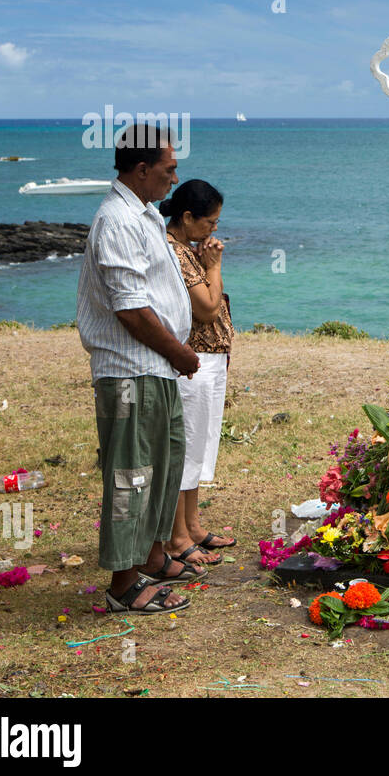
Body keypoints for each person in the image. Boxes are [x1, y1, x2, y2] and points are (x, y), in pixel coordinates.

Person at [76, 124, 206, 615]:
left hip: (156, 368)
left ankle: (152, 556)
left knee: (165, 465)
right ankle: (123, 584)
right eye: (169, 169)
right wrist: (178, 352)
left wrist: (173, 354)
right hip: (132, 369)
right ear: (142, 168)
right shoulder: (117, 220)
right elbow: (130, 309)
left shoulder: (145, 213)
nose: (175, 179)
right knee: (133, 475)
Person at [161, 179, 236, 567]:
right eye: (209, 221)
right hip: (193, 360)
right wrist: (215, 266)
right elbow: (206, 307)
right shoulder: (174, 252)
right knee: (185, 446)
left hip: (210, 359)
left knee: (200, 445)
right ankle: (176, 536)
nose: (213, 229)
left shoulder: (188, 250)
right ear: (187, 217)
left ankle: (191, 523)